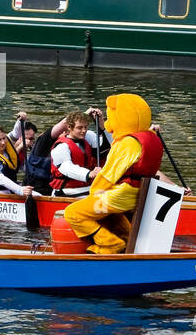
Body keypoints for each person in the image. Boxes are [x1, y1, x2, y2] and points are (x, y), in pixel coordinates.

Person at [63, 94, 184, 255]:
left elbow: (108, 176)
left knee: (72, 213)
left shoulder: (126, 143)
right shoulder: (150, 138)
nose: (108, 121)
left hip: (121, 196)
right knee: (110, 214)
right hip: (139, 194)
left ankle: (110, 244)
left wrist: (94, 194)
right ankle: (126, 240)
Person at [49, 109, 109, 197]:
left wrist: (100, 122)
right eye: (80, 128)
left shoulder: (87, 139)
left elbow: (107, 145)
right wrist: (89, 174)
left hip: (86, 187)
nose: (84, 130)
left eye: (85, 127)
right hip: (66, 191)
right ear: (69, 127)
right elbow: (66, 167)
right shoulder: (61, 146)